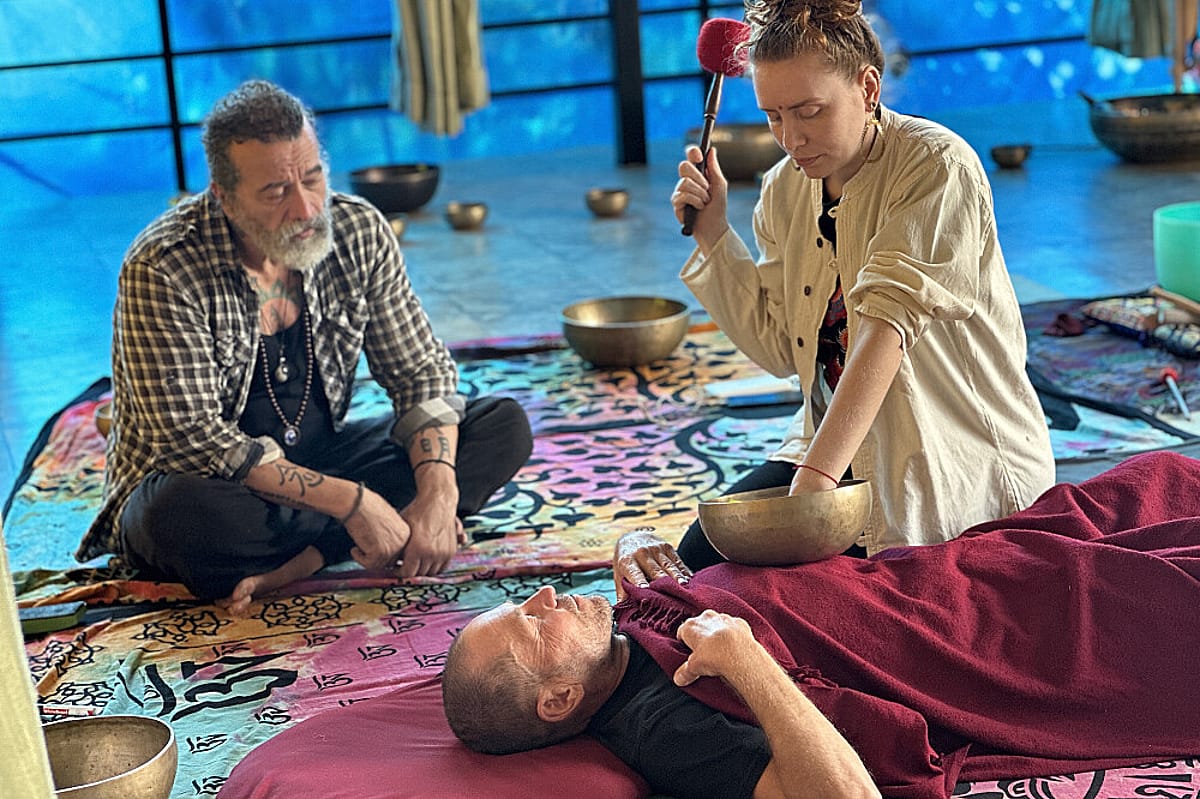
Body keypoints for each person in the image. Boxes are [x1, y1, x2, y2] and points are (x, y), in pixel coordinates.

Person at [442, 450, 1200, 799]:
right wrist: (748, 663)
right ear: (556, 702)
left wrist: (633, 543)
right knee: (1149, 596)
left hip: (925, 577)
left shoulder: (625, 628)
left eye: (527, 600)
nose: (545, 596)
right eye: (531, 624)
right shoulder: (665, 727)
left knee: (1147, 484)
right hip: (981, 638)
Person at [77, 80, 533, 614]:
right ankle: (367, 526)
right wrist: (353, 500)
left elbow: (420, 375)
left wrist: (437, 494)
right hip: (211, 484)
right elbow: (195, 443)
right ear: (223, 197)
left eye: (313, 177)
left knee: (499, 425)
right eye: (275, 192)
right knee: (185, 516)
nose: (305, 208)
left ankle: (315, 553)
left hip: (314, 461)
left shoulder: (358, 228)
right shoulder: (163, 266)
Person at [669, 0, 1055, 569]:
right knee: (701, 557)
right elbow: (782, 350)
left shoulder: (936, 165)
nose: (791, 138)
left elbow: (883, 336)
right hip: (829, 448)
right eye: (774, 116)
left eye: (810, 111)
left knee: (814, 593)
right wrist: (714, 236)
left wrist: (816, 482)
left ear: (868, 86)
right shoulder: (783, 190)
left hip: (942, 455)